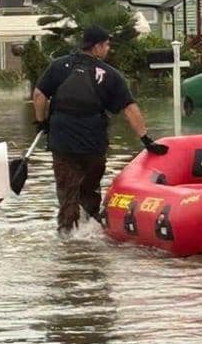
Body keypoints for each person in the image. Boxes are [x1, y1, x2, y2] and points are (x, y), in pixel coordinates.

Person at [33, 25, 168, 234]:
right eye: (106, 45)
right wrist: (146, 139)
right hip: (93, 145)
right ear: (96, 47)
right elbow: (130, 108)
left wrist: (41, 122)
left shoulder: (59, 66)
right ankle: (93, 234)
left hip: (62, 143)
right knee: (90, 192)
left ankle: (67, 238)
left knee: (68, 194)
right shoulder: (110, 75)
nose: (108, 49)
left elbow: (39, 95)